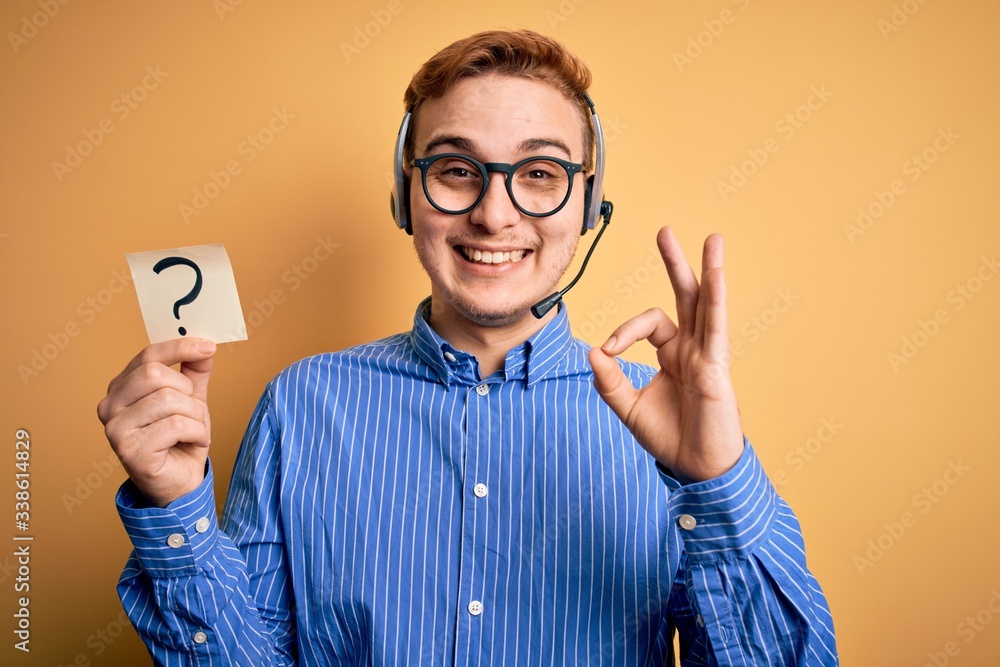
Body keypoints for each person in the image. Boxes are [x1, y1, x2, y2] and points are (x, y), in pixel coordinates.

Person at [98, 29, 838, 665]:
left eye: (540, 174)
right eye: (457, 169)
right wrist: (176, 508)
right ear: (404, 192)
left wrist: (715, 482)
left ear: (586, 205)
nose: (493, 212)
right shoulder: (301, 404)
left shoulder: (672, 427)